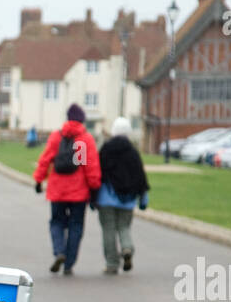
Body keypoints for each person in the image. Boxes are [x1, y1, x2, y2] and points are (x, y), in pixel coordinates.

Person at [32, 103, 100, 275]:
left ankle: (59, 251)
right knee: (76, 226)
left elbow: (45, 160)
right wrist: (94, 188)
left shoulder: (57, 137)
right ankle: (69, 263)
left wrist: (39, 180)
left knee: (56, 222)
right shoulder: (84, 140)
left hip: (57, 191)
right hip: (78, 193)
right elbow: (89, 167)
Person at [96, 117, 151, 274]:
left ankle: (112, 264)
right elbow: (140, 176)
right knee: (124, 227)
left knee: (108, 230)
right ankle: (127, 248)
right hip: (127, 200)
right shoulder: (133, 152)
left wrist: (93, 197)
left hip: (106, 197)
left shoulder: (105, 149)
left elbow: (97, 174)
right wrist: (143, 196)